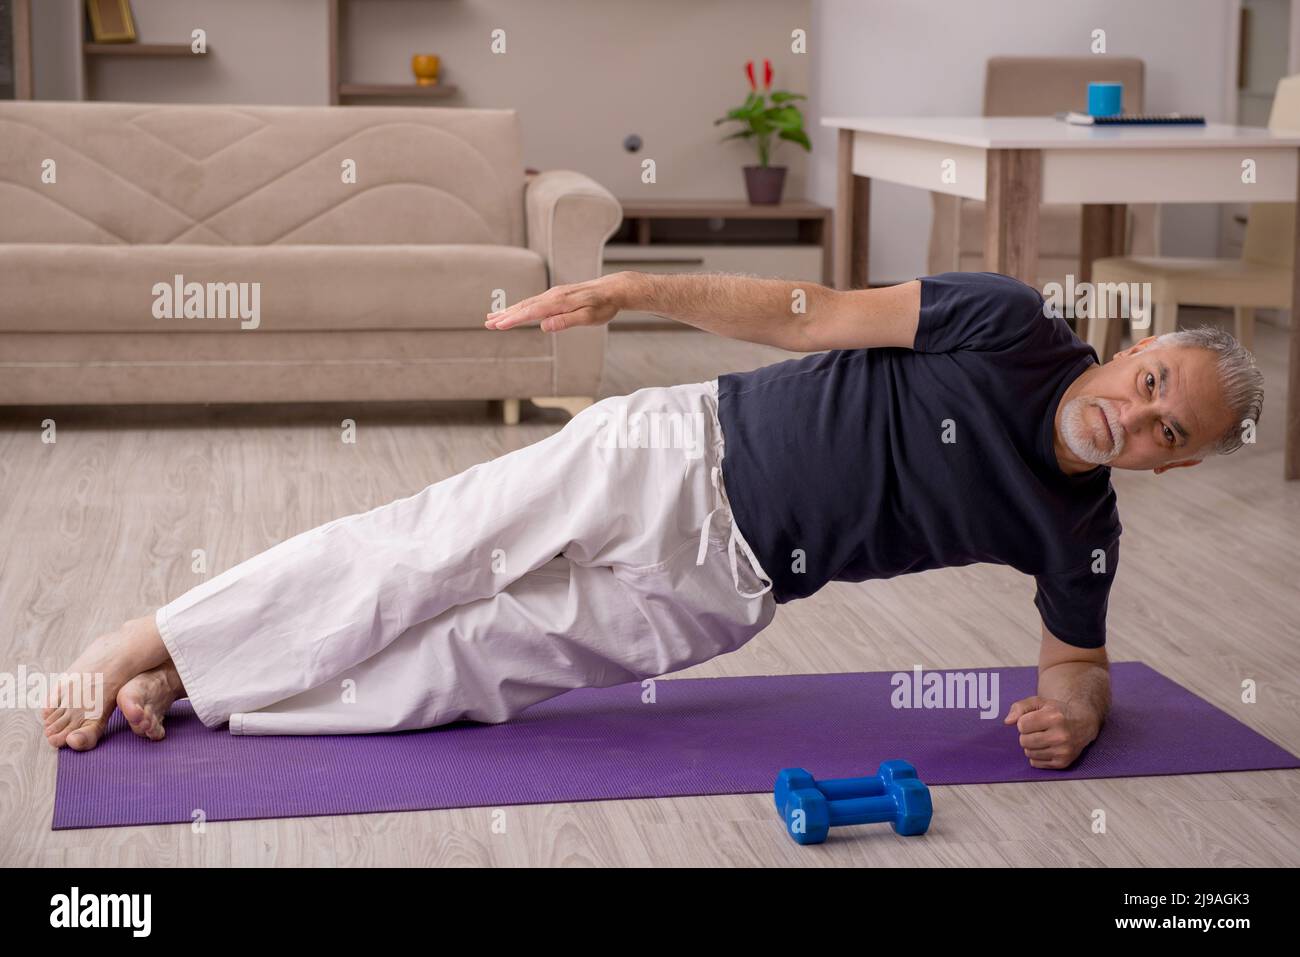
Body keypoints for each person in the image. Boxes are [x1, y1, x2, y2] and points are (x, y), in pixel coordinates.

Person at [44, 271, 1263, 769]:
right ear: (1132, 349)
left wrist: (1077, 720)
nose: (1141, 419)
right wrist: (640, 291)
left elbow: (1081, 664)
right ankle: (143, 637)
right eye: (1153, 385)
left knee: (464, 668)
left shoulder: (1082, 533)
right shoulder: (1007, 325)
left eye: (1174, 435)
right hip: (680, 451)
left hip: (718, 594)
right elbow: (807, 312)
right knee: (418, 557)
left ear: (1171, 471)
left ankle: (206, 689)